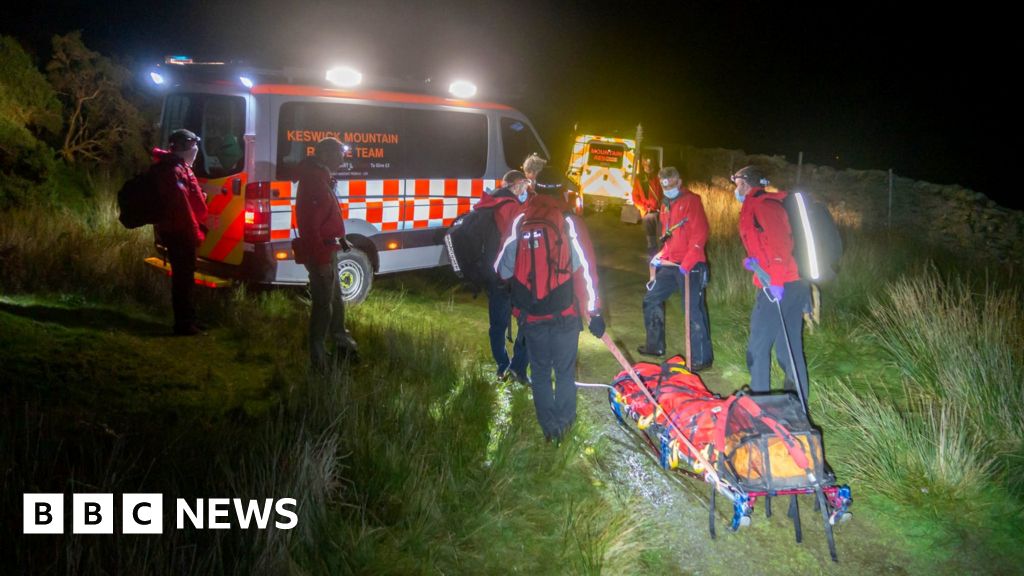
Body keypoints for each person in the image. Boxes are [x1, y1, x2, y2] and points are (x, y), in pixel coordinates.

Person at [494, 190, 604, 442]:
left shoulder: (520, 219)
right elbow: (586, 270)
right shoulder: (569, 221)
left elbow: (501, 267)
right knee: (564, 371)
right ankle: (565, 426)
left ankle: (549, 429)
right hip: (564, 313)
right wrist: (593, 310)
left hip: (531, 316)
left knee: (541, 372)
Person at [732, 165, 810, 401]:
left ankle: (759, 403)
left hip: (778, 286)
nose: (735, 189)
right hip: (790, 283)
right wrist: (753, 260)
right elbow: (764, 242)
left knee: (758, 347)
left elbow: (780, 247)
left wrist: (774, 282)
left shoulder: (764, 206)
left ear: (746, 184)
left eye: (736, 184)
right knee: (788, 347)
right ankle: (796, 401)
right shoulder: (756, 206)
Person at [637, 167, 713, 371]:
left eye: (671, 184)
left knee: (693, 311)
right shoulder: (666, 204)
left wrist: (686, 265)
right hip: (672, 264)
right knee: (651, 298)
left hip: (691, 264)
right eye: (664, 185)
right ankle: (655, 347)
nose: (667, 188)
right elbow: (669, 235)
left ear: (679, 181)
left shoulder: (692, 201)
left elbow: (700, 235)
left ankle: (701, 358)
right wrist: (661, 255)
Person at [295, 137, 358, 371]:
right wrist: (321, 258)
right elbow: (310, 226)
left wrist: (340, 237)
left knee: (335, 302)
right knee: (323, 306)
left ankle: (341, 347)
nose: (343, 158)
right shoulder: (314, 180)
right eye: (338, 153)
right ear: (325, 155)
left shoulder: (321, 177)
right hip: (321, 251)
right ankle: (318, 359)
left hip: (328, 248)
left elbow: (326, 215)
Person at [473, 170, 531, 383]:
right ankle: (517, 368)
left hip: (492, 272)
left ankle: (502, 365)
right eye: (524, 186)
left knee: (497, 324)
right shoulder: (513, 208)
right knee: (526, 321)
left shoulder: (490, 201)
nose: (525, 190)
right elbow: (516, 244)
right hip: (511, 274)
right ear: (516, 185)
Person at [153, 129, 208, 336]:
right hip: (180, 232)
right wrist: (195, 234)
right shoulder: (174, 171)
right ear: (185, 147)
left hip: (179, 230)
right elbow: (184, 208)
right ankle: (184, 324)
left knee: (186, 277)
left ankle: (189, 319)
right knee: (183, 279)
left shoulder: (178, 168)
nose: (196, 150)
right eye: (193, 146)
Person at [632, 154, 663, 256]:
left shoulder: (659, 178)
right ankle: (652, 251)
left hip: (660, 211)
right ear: (643, 165)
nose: (649, 167)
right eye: (646, 165)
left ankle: (661, 252)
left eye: (650, 165)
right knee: (650, 235)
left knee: (661, 234)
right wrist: (644, 208)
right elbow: (635, 198)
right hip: (648, 212)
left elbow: (664, 193)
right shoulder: (639, 179)